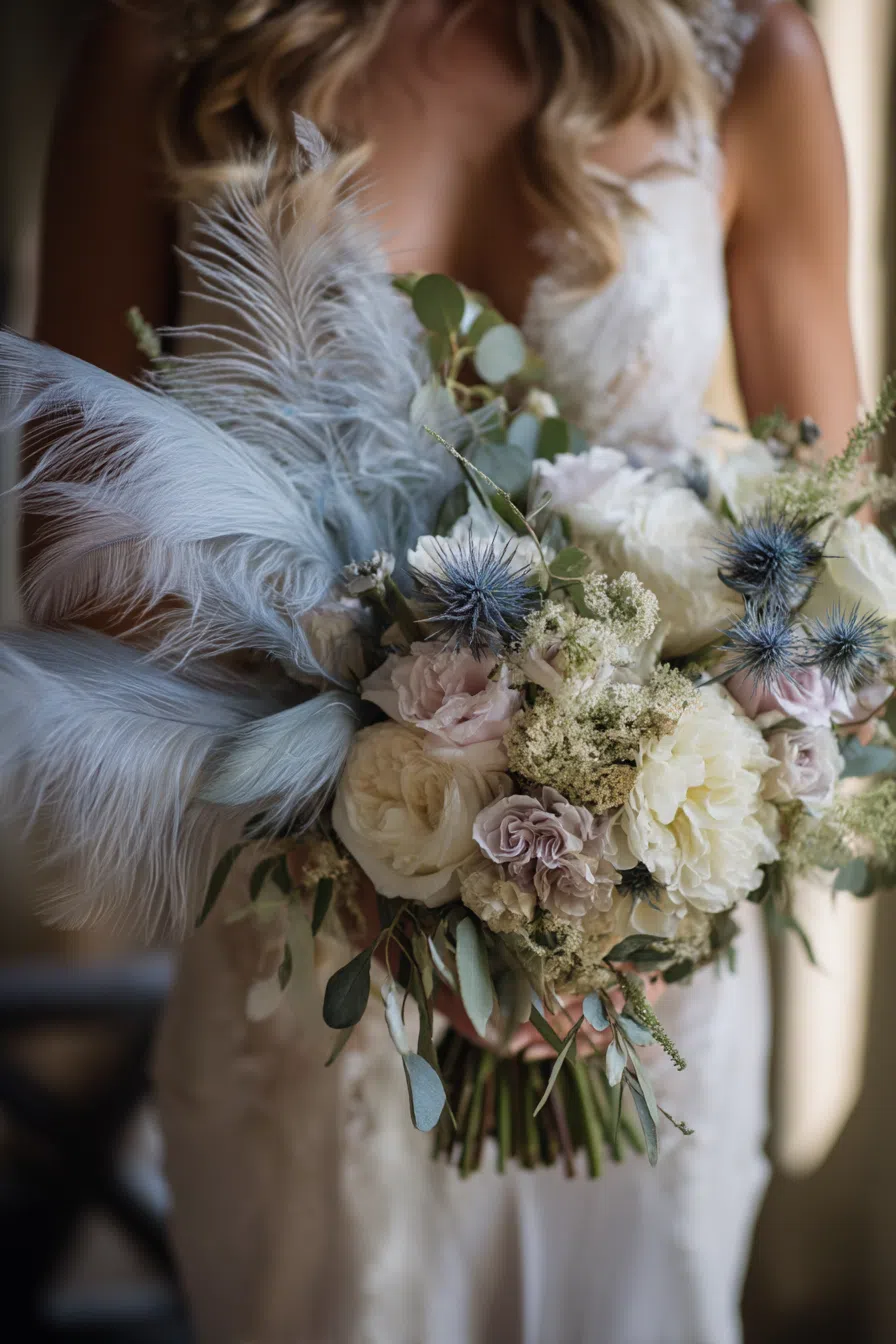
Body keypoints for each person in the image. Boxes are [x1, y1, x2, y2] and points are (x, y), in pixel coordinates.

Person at [33, 2, 861, 1341]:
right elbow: (76, 553)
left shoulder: (748, 53)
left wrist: (617, 872)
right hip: (305, 945)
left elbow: (832, 550)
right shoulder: (167, 46)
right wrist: (378, 789)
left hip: (644, 965)